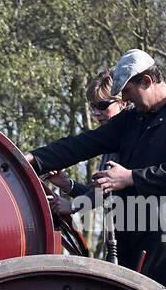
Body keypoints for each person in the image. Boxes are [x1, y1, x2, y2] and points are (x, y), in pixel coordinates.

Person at [25, 49, 166, 288]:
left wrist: (129, 177)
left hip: (163, 239)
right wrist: (32, 158)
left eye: (129, 92)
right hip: (126, 233)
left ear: (146, 81)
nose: (128, 100)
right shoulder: (133, 119)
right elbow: (83, 144)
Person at [41, 70, 128, 203]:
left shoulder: (135, 139)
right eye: (93, 106)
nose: (96, 112)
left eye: (102, 105)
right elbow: (102, 197)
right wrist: (66, 184)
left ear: (123, 102)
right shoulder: (108, 142)